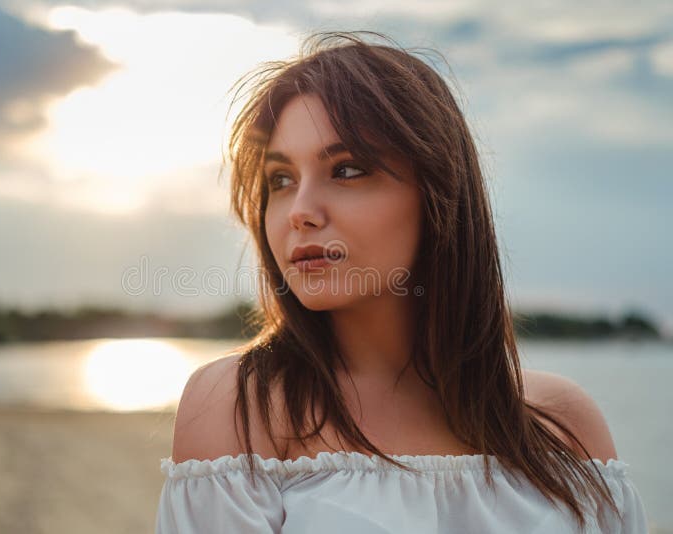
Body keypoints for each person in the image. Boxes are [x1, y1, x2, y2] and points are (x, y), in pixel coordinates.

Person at [154, 31, 649, 533]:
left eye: (346, 170)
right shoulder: (241, 407)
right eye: (280, 180)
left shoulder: (562, 425)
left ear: (438, 195)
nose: (299, 212)